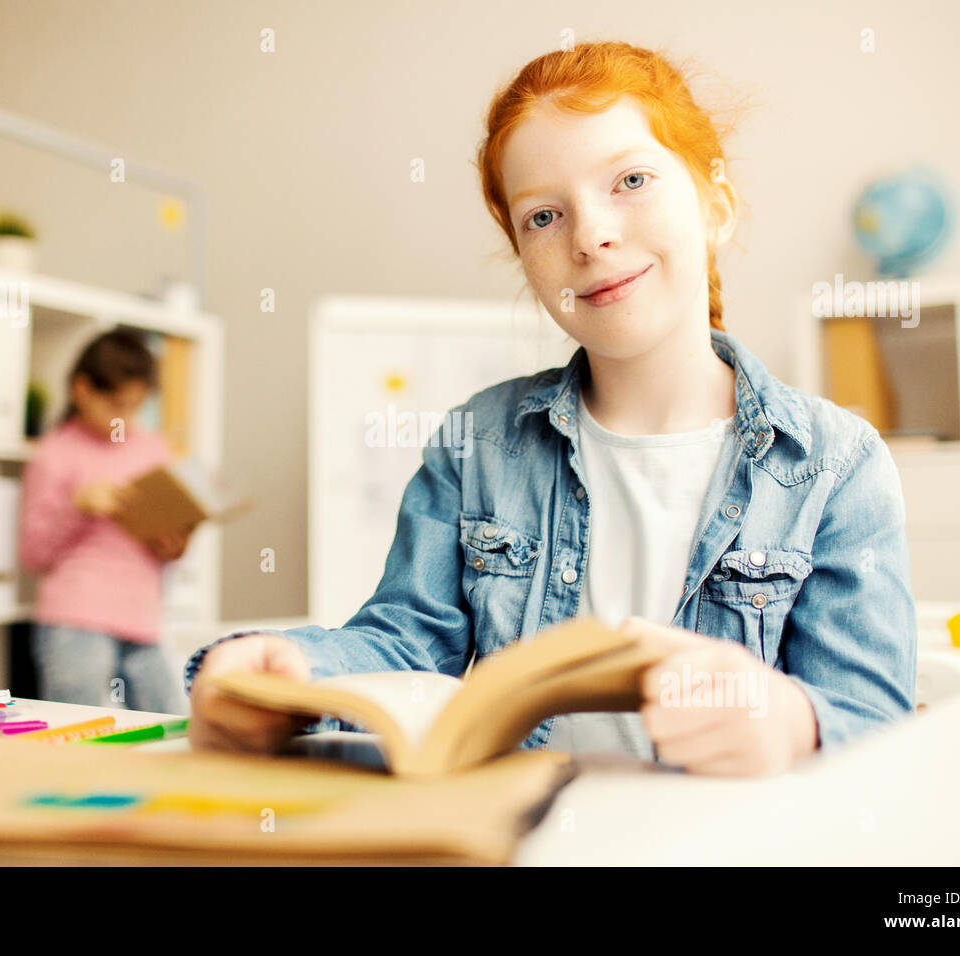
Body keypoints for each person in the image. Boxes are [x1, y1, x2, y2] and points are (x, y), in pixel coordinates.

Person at [184, 42, 917, 776]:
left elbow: (875, 722)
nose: (591, 236)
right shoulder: (478, 442)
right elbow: (404, 644)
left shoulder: (834, 463)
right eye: (542, 217)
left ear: (715, 206)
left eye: (631, 179)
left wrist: (794, 724)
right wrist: (290, 668)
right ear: (523, 257)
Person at [19, 329, 190, 713]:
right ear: (82, 390)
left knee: (172, 731)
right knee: (79, 737)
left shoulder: (153, 449)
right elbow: (33, 554)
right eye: (116, 406)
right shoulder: (55, 453)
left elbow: (166, 547)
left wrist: (173, 546)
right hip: (76, 623)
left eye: (135, 407)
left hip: (143, 620)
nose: (126, 419)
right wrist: (77, 507)